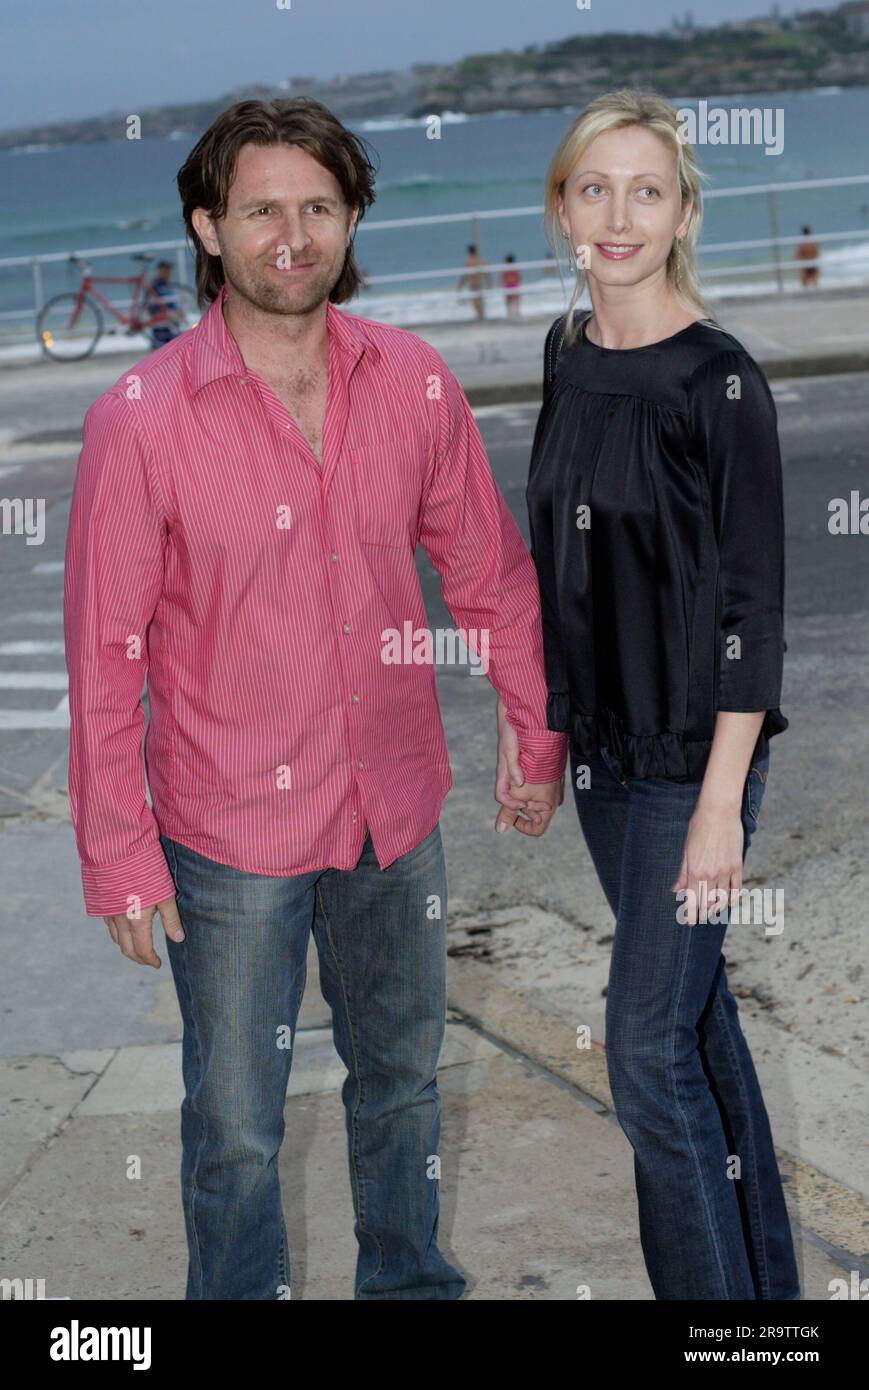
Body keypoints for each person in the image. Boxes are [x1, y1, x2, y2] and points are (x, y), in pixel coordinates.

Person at [63, 96, 566, 1301]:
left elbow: (489, 569)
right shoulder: (138, 423)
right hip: (227, 830)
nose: (291, 237)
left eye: (317, 208)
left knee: (400, 1080)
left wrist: (530, 724)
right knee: (235, 1126)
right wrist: (119, 853)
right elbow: (103, 654)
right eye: (260, 212)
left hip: (391, 808)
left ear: (349, 221)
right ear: (208, 225)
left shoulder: (415, 380)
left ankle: (407, 1283)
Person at [508, 89, 800, 1300]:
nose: (616, 214)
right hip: (601, 760)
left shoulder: (716, 381)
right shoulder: (565, 356)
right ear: (560, 210)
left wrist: (719, 807)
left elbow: (751, 610)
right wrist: (533, 734)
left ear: (682, 210)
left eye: (644, 189)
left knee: (640, 1051)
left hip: (691, 758)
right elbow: (554, 571)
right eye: (593, 188)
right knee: (691, 1027)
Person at [144, 260, 182, 346]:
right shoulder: (155, 286)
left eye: (169, 271)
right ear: (160, 271)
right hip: (161, 325)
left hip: (169, 323)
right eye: (166, 271)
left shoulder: (167, 285)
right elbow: (150, 307)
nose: (169, 274)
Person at [457, 243, 491, 319]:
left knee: (476, 303)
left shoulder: (469, 262)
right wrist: (489, 284)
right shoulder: (481, 260)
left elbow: (465, 276)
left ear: (469, 252)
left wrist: (460, 286)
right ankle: (481, 316)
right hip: (480, 285)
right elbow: (487, 274)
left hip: (473, 285)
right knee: (480, 302)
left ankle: (480, 316)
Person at [501, 253, 522, 318]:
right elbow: (519, 278)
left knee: (508, 302)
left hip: (508, 285)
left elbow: (503, 278)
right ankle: (517, 313)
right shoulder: (515, 268)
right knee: (516, 301)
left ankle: (509, 314)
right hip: (515, 285)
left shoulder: (505, 268)